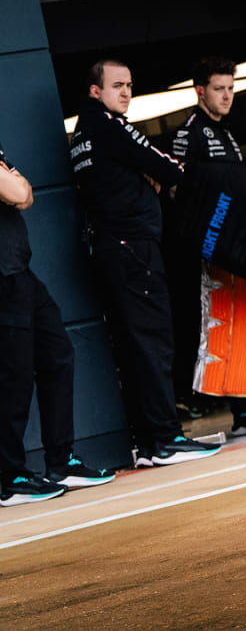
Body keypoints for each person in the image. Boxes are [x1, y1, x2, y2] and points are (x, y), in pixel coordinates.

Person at [69, 59, 221, 466]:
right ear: (95, 91)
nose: (126, 93)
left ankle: (151, 442)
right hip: (132, 248)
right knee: (154, 342)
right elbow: (165, 165)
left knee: (134, 346)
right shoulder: (108, 125)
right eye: (117, 85)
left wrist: (143, 175)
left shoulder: (82, 133)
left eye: (130, 86)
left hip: (109, 249)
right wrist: (160, 174)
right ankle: (167, 439)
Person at [163, 56, 246, 436]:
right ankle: (233, 411)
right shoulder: (190, 132)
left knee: (242, 322)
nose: (227, 96)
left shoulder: (225, 133)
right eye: (219, 89)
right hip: (205, 249)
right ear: (200, 91)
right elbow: (176, 190)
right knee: (215, 326)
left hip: (233, 243)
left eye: (230, 88)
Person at [1, 139, 115, 505]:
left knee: (57, 355)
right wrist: (14, 185)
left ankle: (60, 461)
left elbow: (25, 195)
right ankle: (9, 477)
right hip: (3, 279)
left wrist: (15, 186)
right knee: (14, 378)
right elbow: (16, 191)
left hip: (20, 271)